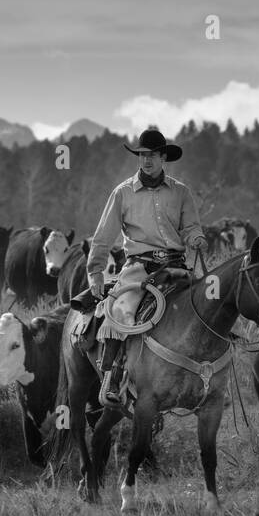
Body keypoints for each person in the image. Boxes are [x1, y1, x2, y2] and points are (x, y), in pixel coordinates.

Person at [81, 127, 207, 406]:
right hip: (139, 266)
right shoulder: (122, 193)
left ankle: (207, 378)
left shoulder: (181, 193)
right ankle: (112, 377)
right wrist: (95, 273)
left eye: (151, 155)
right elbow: (103, 238)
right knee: (120, 309)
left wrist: (196, 238)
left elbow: (191, 227)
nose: (146, 160)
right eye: (141, 155)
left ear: (164, 157)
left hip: (177, 266)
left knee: (208, 304)